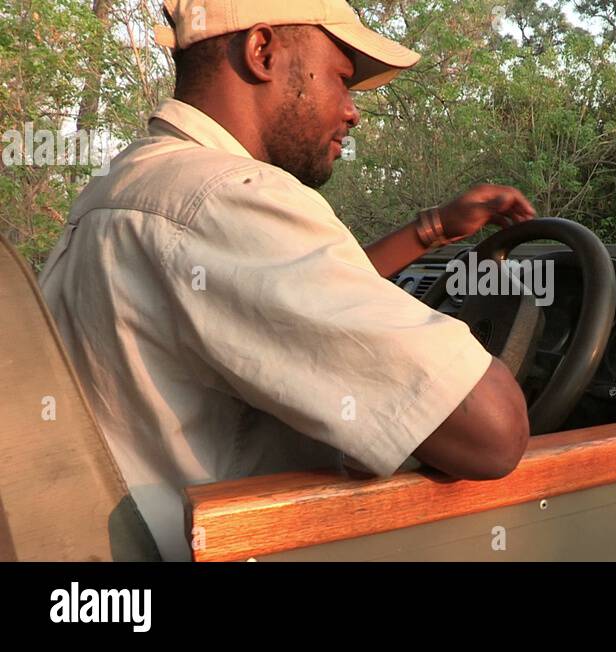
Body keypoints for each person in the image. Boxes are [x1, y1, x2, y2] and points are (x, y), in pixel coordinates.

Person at [39, 0, 534, 561]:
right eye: (343, 79)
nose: (353, 113)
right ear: (263, 51)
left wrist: (431, 230)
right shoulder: (234, 194)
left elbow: (272, 305)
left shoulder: (127, 180)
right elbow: (494, 434)